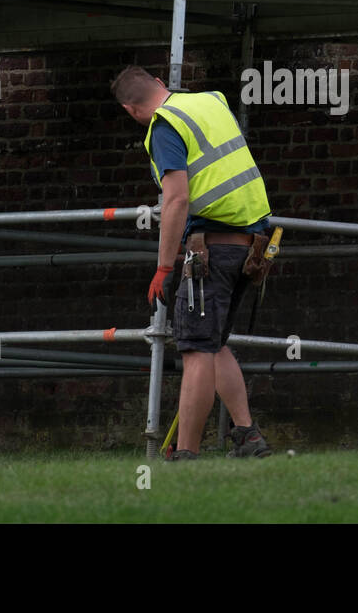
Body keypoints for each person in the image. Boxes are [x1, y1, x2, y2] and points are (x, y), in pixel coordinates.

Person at [111, 65, 273, 460]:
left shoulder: (164, 127)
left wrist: (165, 266)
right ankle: (248, 434)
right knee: (214, 344)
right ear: (161, 85)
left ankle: (186, 453)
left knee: (196, 349)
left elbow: (177, 199)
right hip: (251, 246)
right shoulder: (211, 101)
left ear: (132, 111)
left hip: (211, 250)